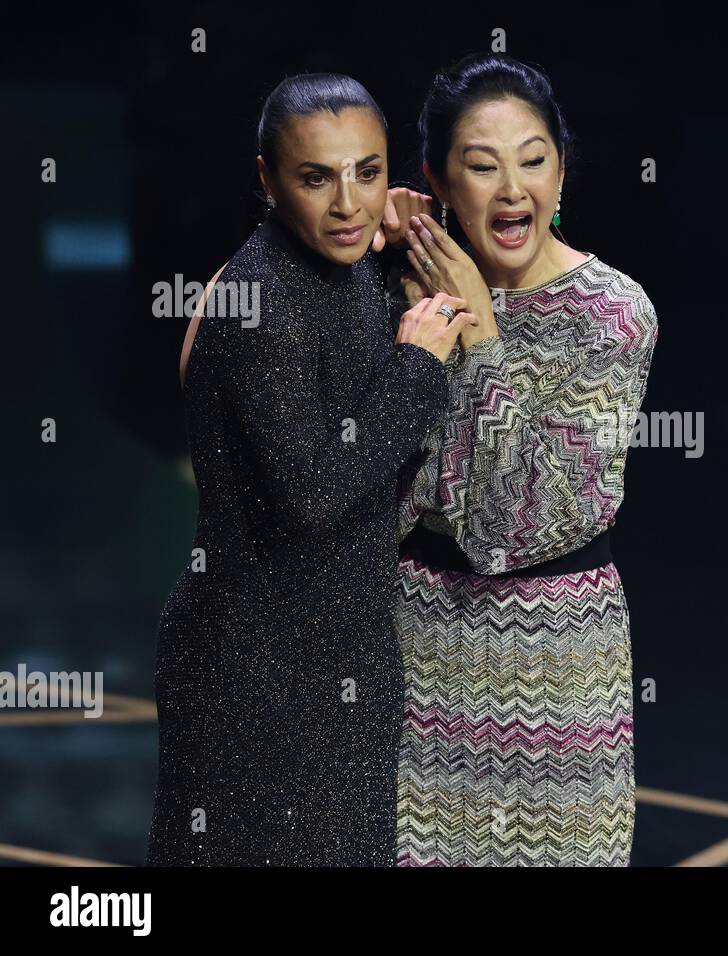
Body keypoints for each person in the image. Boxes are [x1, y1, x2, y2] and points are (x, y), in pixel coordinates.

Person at [147, 73, 476, 865]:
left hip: (340, 659)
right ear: (265, 179)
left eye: (367, 172)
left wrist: (398, 237)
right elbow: (314, 491)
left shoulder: (344, 268)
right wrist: (417, 366)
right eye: (316, 177)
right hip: (253, 674)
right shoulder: (257, 298)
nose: (347, 203)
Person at [374, 53, 657, 865]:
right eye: (481, 165)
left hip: (559, 671)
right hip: (414, 655)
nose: (511, 189)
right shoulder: (396, 284)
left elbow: (516, 525)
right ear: (436, 181)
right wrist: (358, 227)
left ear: (561, 172)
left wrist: (481, 341)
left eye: (533, 160)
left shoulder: (612, 312)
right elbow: (371, 489)